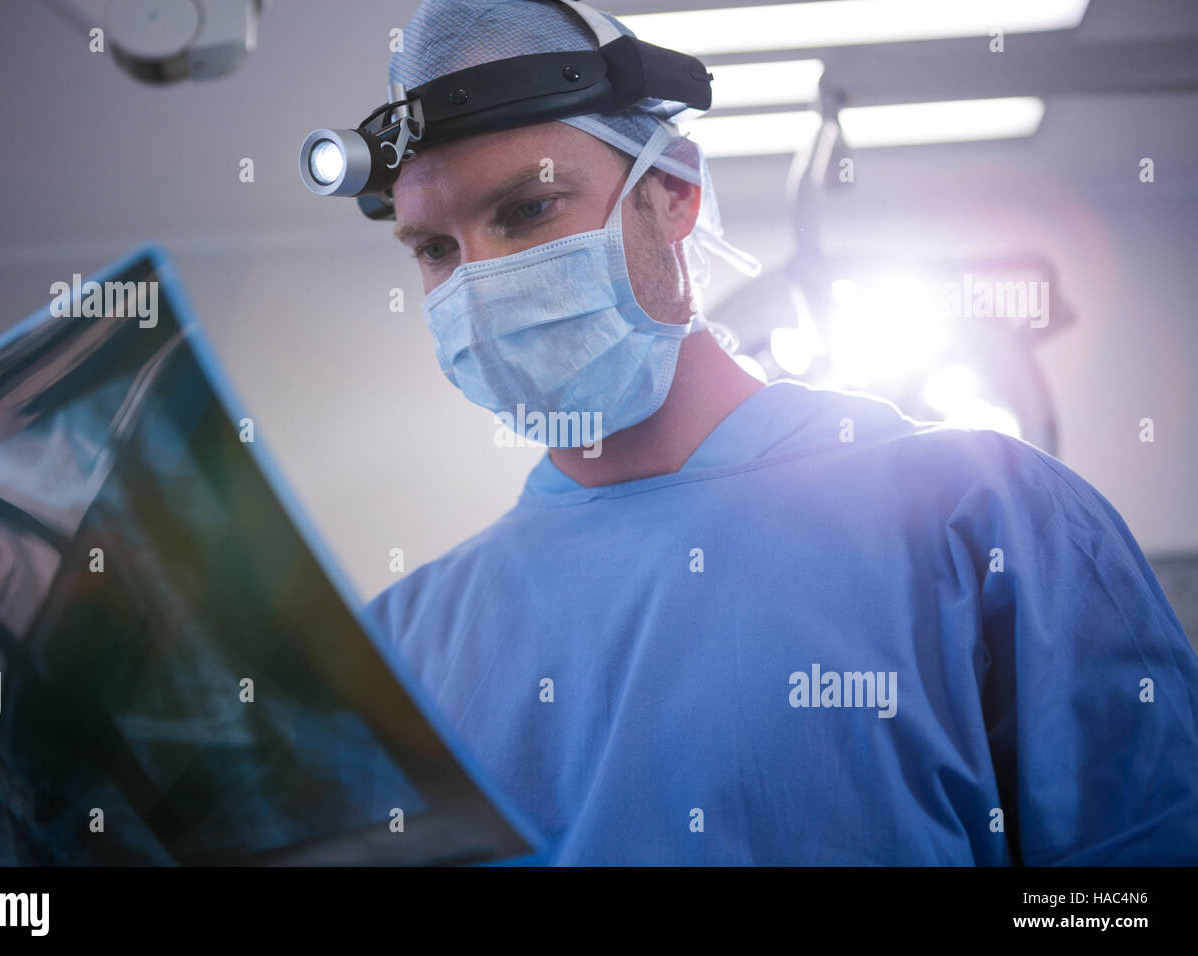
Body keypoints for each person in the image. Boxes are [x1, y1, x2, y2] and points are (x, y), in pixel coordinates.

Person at [362, 0, 1198, 865]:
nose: (482, 283)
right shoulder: (389, 650)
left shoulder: (987, 520)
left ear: (674, 194)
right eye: (433, 248)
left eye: (530, 210)